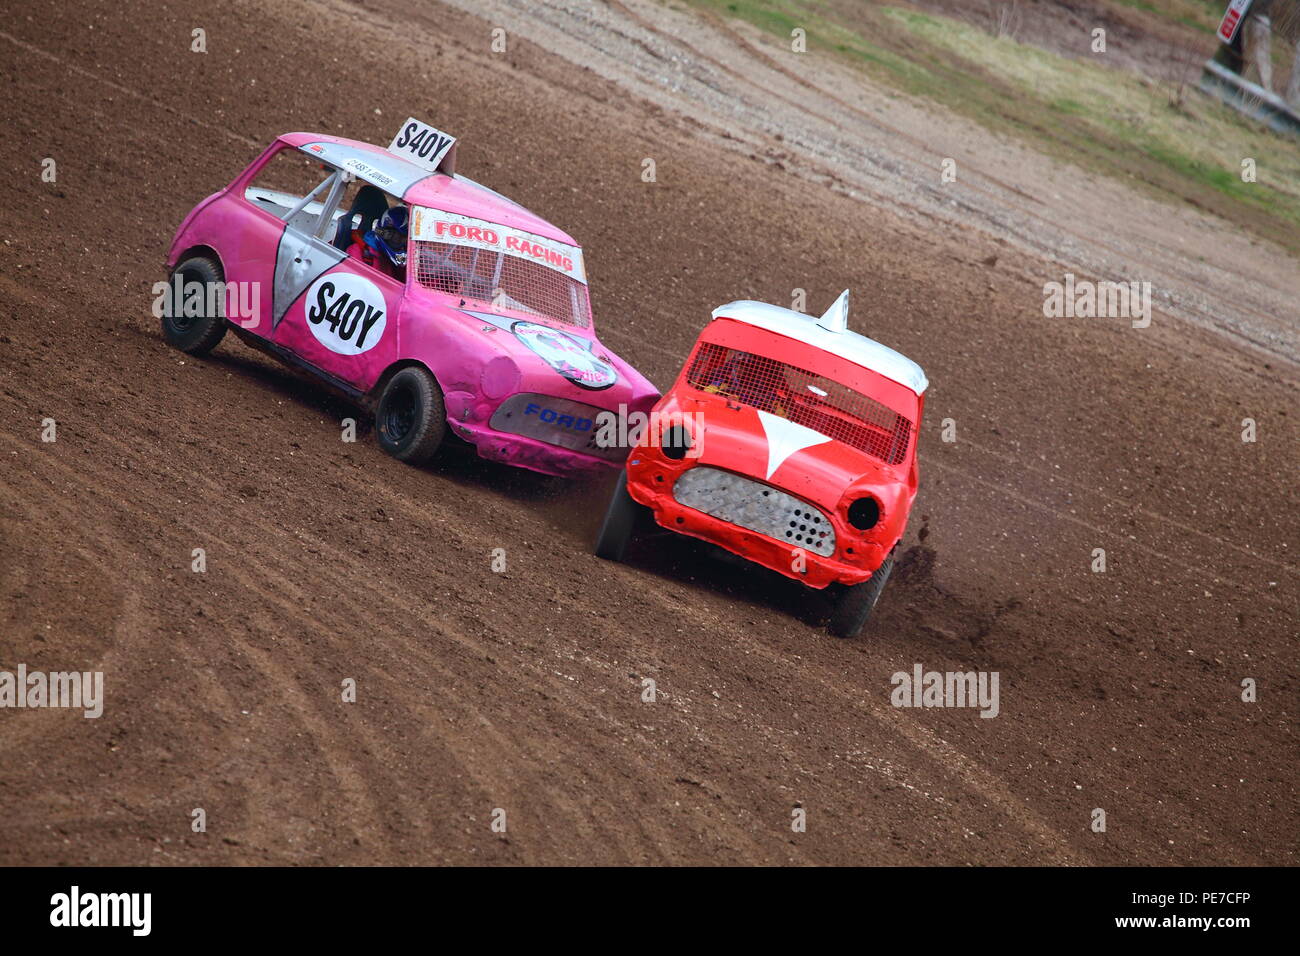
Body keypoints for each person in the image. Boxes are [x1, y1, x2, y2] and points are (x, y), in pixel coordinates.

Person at [347, 205, 408, 282]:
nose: (403, 245)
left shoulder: (399, 263)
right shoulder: (358, 252)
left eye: (406, 240)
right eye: (399, 238)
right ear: (386, 234)